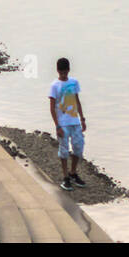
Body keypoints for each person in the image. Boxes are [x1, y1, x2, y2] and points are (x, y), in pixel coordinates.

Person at [48, 57, 87, 190]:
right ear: (58, 71)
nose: (64, 74)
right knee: (64, 150)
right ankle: (65, 177)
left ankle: (73, 173)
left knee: (79, 146)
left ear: (68, 70)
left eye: (65, 72)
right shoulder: (54, 86)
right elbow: (52, 107)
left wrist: (82, 118)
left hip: (75, 121)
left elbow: (77, 101)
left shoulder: (74, 82)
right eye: (62, 72)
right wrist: (57, 125)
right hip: (62, 123)